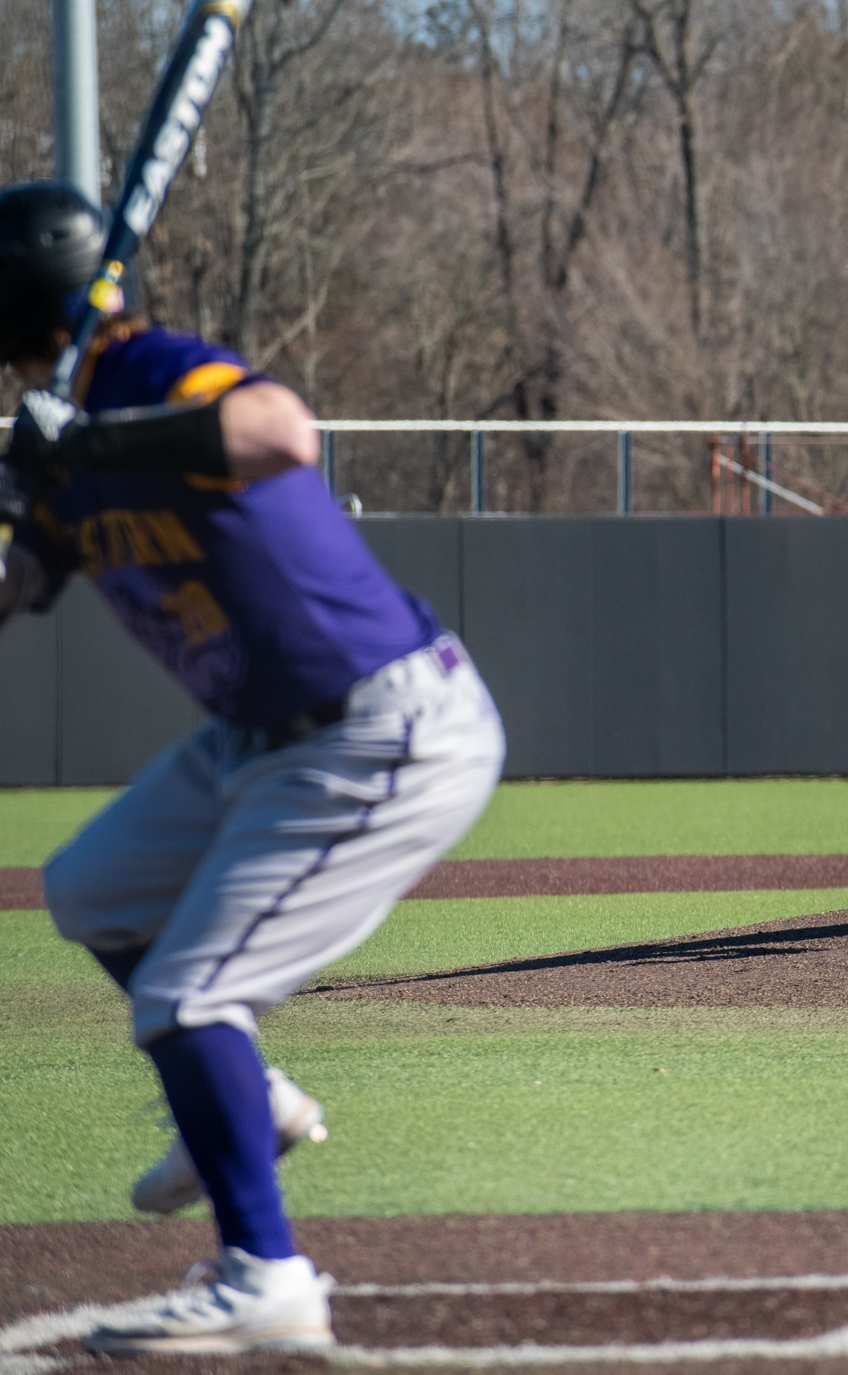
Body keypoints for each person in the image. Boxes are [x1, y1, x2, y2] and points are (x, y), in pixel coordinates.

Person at [0, 181, 507, 1353]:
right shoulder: (58, 442)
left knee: (188, 993)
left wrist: (95, 443)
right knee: (92, 888)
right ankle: (247, 1101)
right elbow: (18, 584)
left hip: (378, 725)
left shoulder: (145, 371)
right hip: (257, 738)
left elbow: (283, 430)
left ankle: (264, 1277)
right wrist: (25, 492)